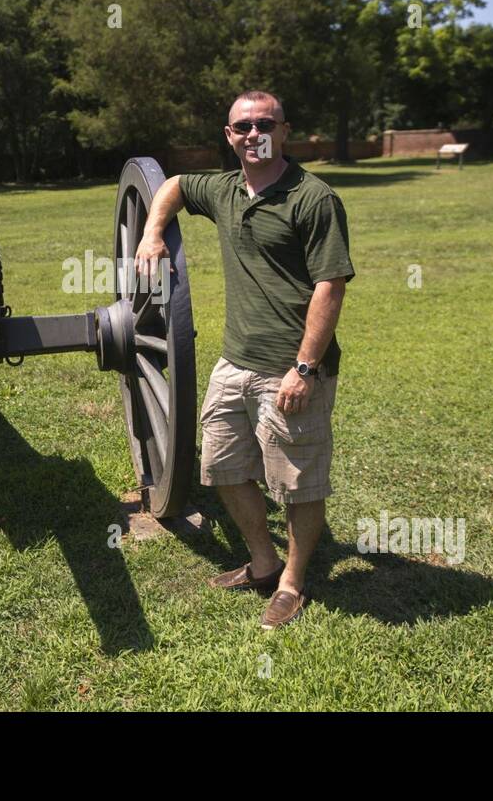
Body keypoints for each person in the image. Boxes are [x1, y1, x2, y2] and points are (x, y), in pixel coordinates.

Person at [134, 90, 354, 628]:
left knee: (299, 484)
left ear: (284, 130)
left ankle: (292, 583)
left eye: (264, 124)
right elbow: (175, 186)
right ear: (229, 136)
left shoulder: (313, 197)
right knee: (222, 466)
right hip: (234, 363)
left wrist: (303, 369)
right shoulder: (225, 188)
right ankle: (262, 560)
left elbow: (330, 287)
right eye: (241, 127)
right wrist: (152, 231)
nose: (252, 133)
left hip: (291, 367)